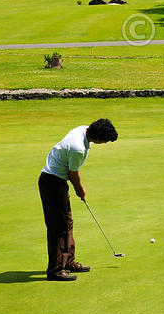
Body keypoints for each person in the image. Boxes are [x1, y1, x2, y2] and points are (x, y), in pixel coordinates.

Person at [38, 118, 118, 281]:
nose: (104, 144)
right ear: (98, 138)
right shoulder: (78, 148)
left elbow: (73, 169)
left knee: (67, 223)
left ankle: (67, 262)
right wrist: (80, 189)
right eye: (105, 141)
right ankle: (55, 270)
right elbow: (72, 173)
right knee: (58, 227)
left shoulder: (83, 129)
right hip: (52, 183)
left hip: (57, 181)